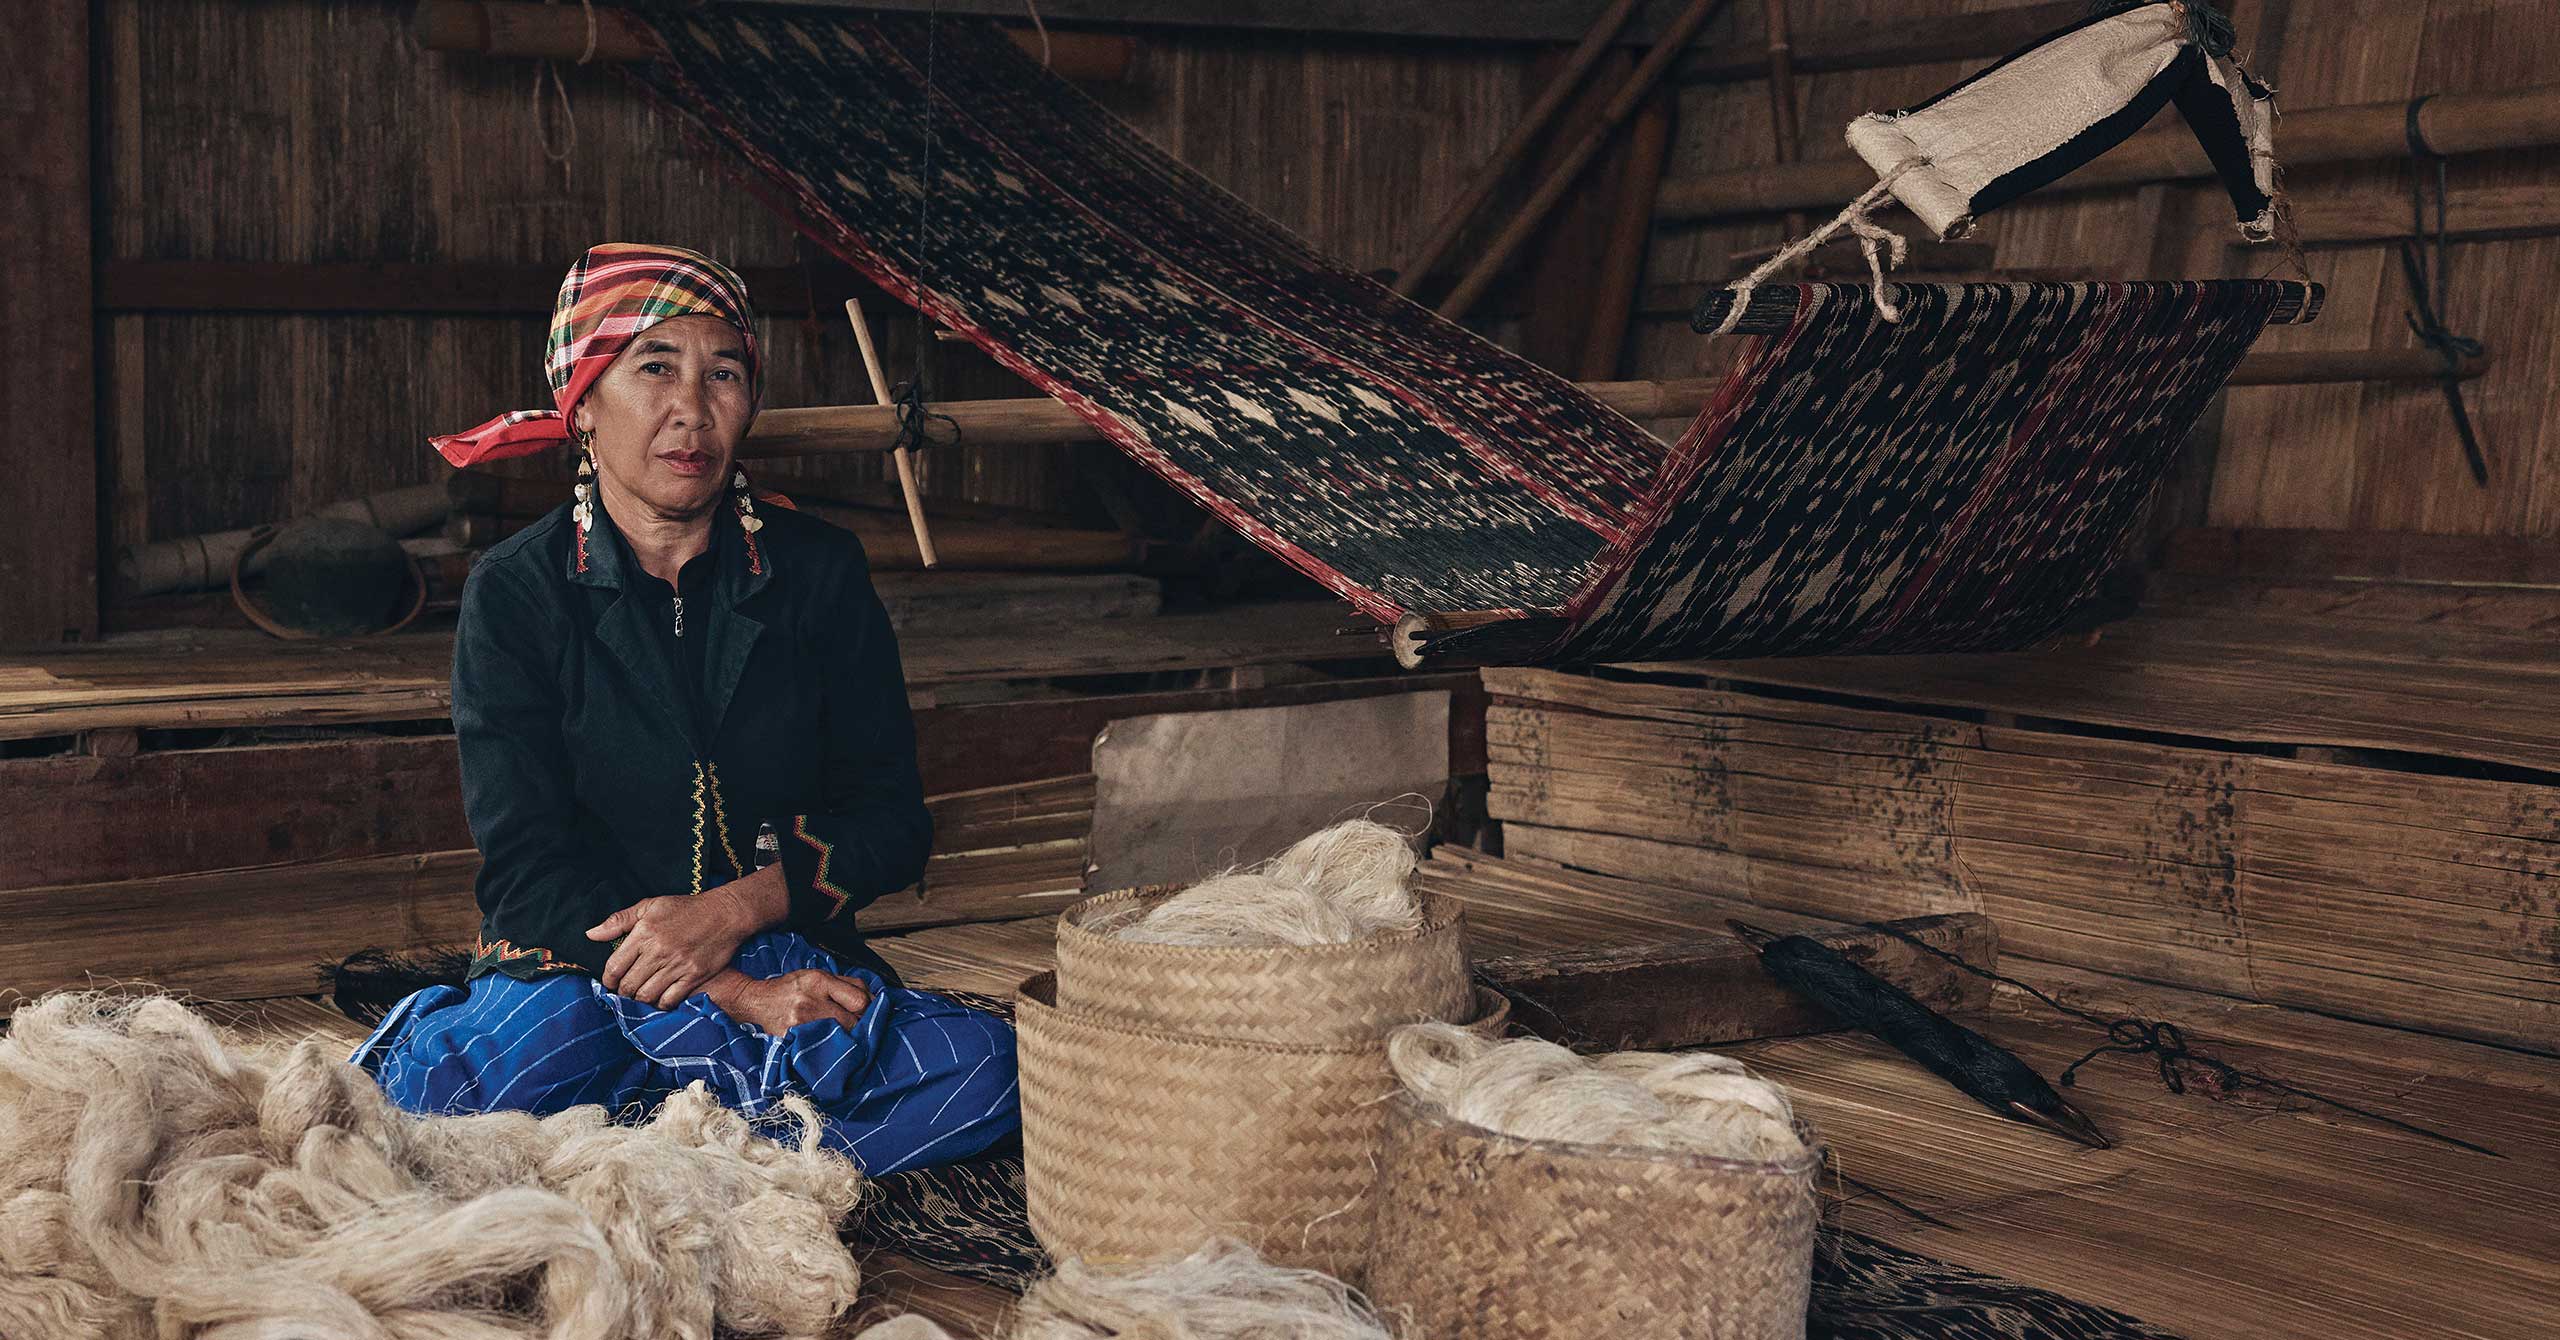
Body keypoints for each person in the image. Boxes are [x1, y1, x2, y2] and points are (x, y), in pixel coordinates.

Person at [350, 242, 1017, 1176]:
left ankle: (641, 1158)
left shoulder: (817, 574)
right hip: (584, 972)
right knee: (439, 1096)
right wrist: (728, 990)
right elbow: (529, 868)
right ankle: (740, 1153)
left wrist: (738, 911)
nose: (693, 410)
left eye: (724, 373)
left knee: (989, 1071)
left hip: (784, 950)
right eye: (655, 367)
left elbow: (892, 823)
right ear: (583, 403)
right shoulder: (517, 592)